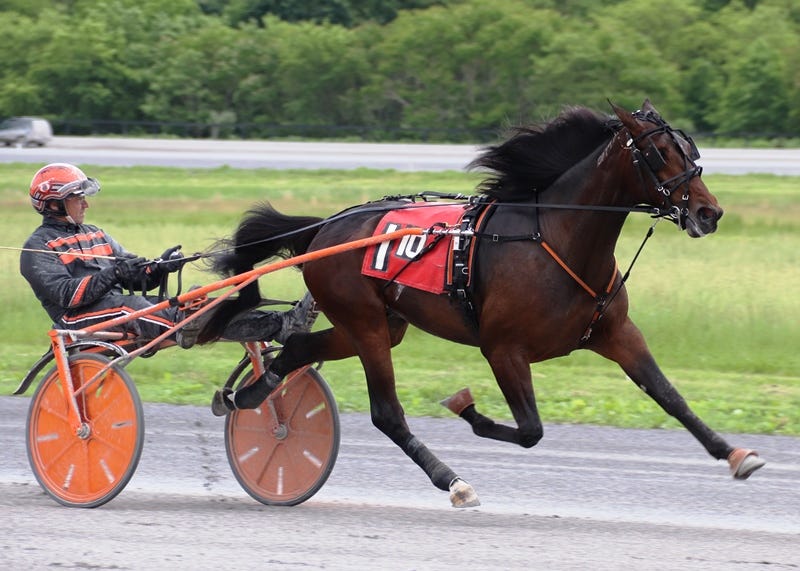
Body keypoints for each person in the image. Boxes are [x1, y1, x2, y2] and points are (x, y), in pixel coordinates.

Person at [20, 162, 315, 348]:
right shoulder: (38, 247)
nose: (85, 204)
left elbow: (137, 274)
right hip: (77, 320)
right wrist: (115, 274)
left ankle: (279, 324)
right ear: (55, 204)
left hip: (116, 307)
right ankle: (186, 325)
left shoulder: (96, 233)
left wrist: (160, 267)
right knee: (135, 307)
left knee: (186, 306)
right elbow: (66, 296)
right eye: (77, 197)